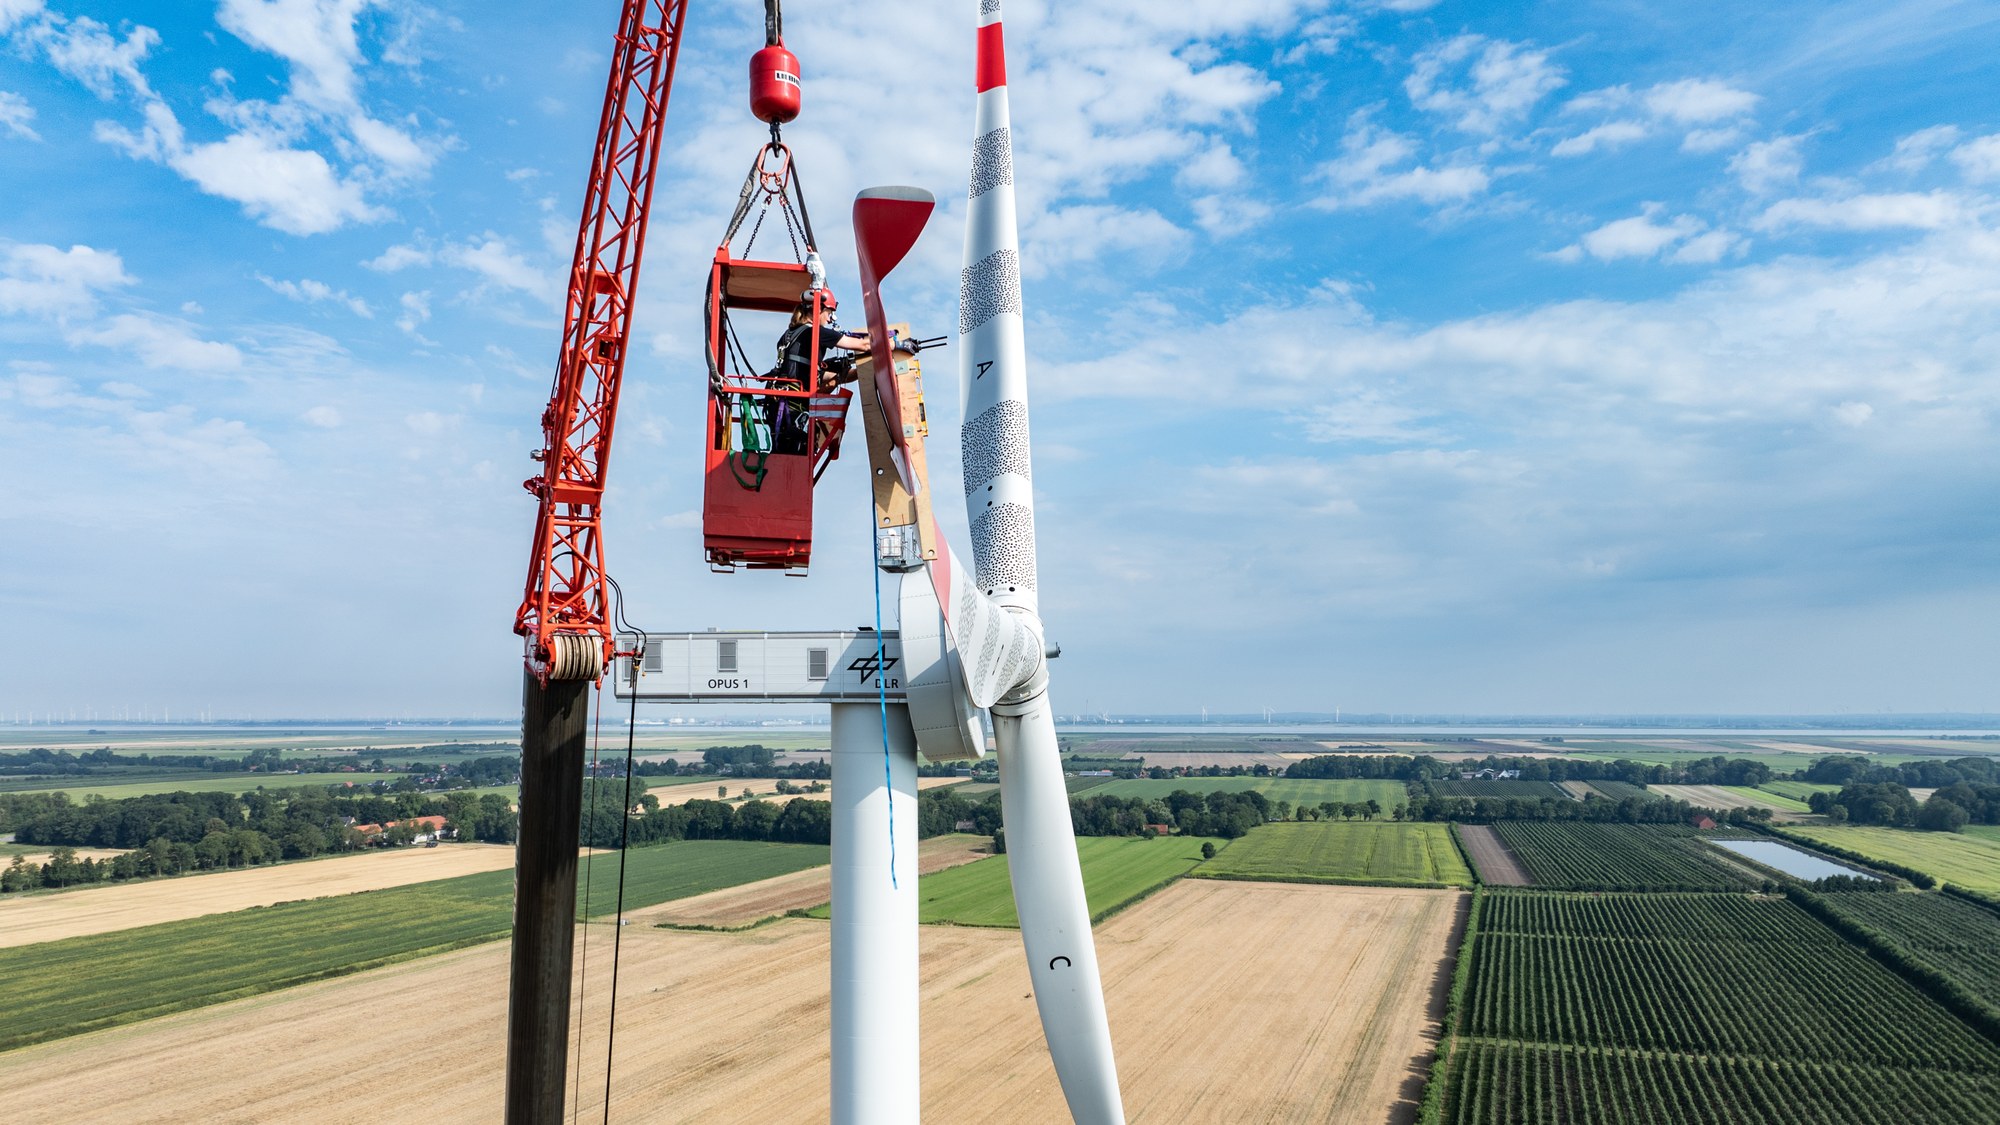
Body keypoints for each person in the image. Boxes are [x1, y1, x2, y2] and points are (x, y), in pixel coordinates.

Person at [768, 293, 867, 454]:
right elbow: (862, 345)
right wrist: (897, 344)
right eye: (829, 313)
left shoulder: (789, 335)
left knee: (787, 453)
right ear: (817, 310)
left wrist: (857, 372)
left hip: (780, 409)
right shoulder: (815, 333)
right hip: (790, 409)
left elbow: (826, 378)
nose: (830, 319)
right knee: (797, 455)